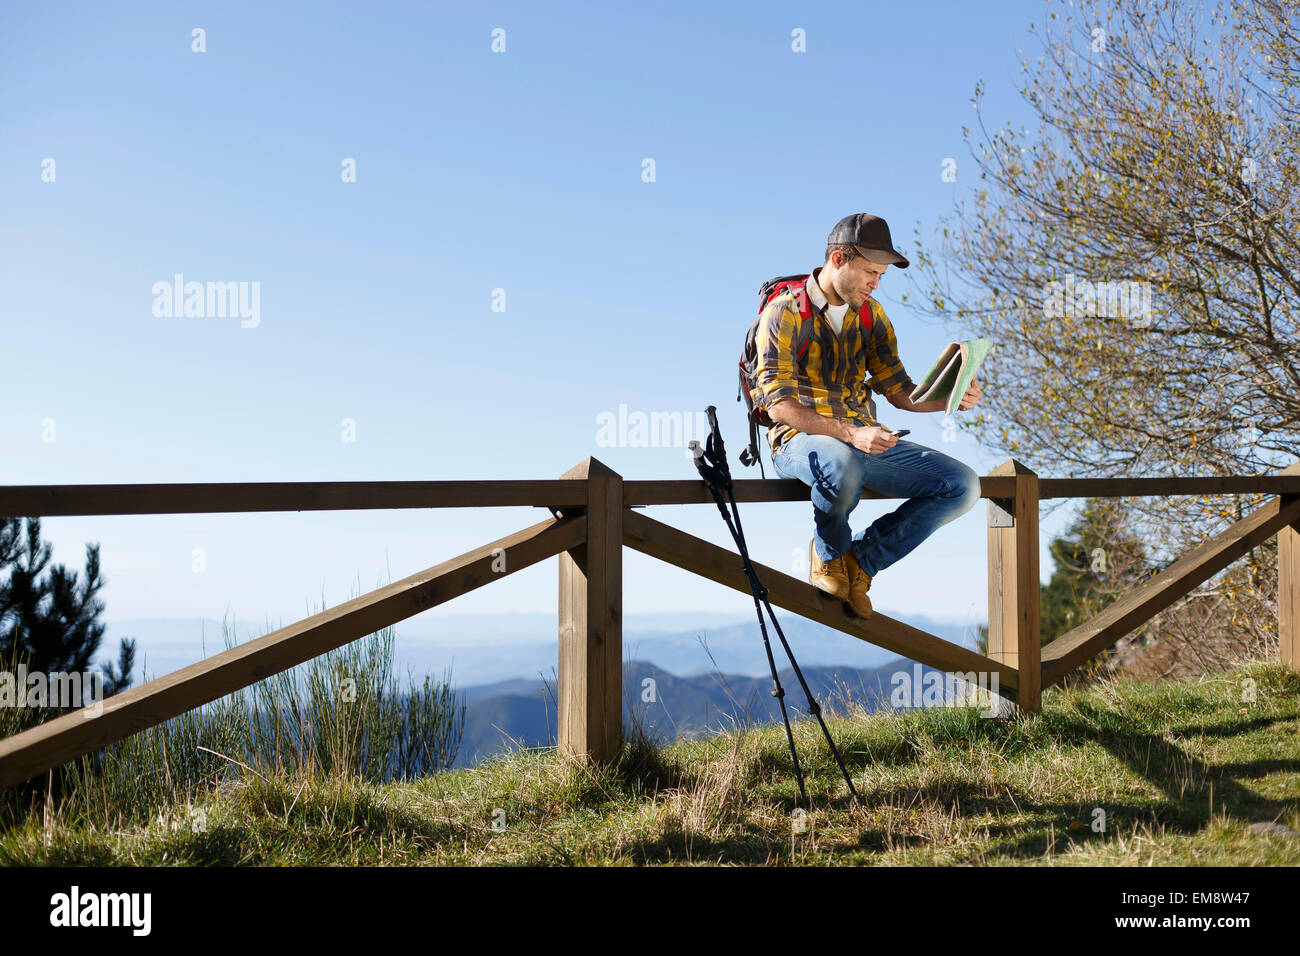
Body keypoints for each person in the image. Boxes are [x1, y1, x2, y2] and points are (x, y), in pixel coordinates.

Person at [752, 212, 984, 619]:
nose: (876, 283)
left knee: (962, 486)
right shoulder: (784, 313)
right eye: (870, 272)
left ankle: (860, 562)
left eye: (881, 275)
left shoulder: (872, 316)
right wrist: (849, 434)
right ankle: (828, 555)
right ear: (838, 260)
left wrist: (950, 396)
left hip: (865, 439)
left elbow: (899, 391)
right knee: (841, 464)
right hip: (799, 442)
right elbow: (779, 407)